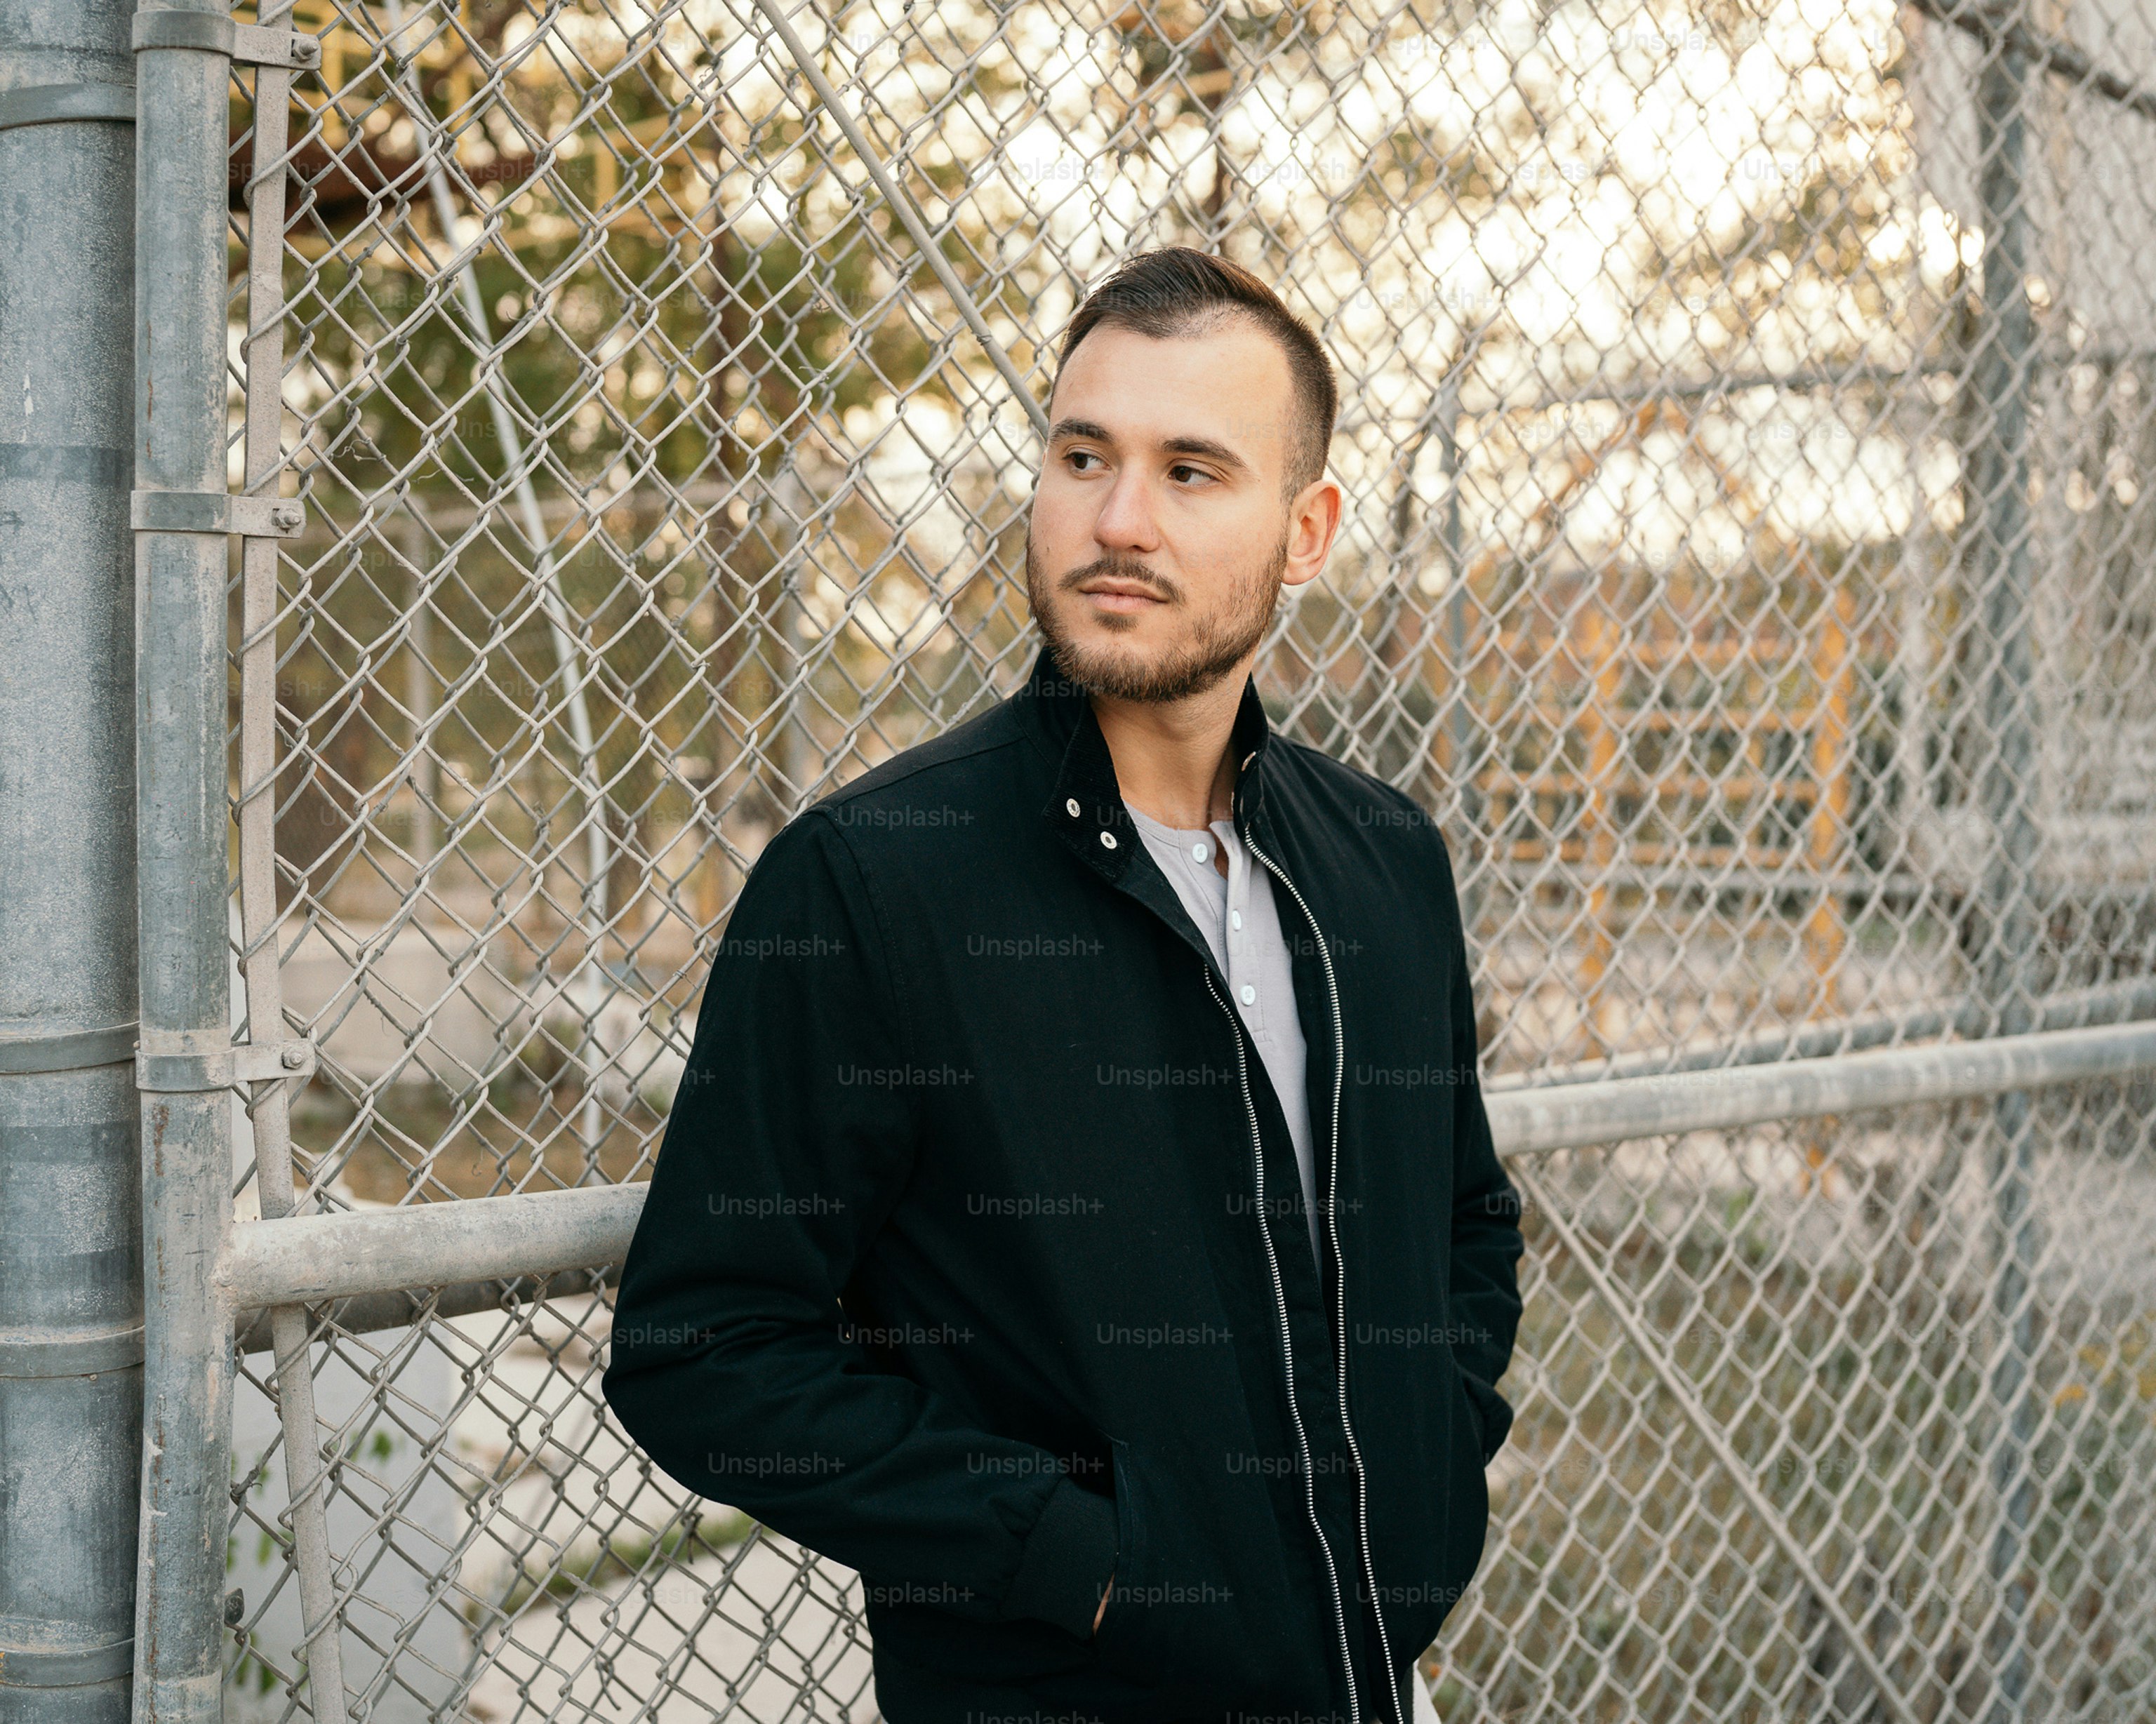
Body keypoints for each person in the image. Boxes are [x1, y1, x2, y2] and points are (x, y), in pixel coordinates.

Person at [602, 244, 1524, 1724]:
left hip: (1372, 1679)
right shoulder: (872, 883)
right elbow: (703, 1348)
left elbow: (1466, 1215)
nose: (1115, 518)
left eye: (1191, 471)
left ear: (1308, 530)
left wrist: (1426, 1466)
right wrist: (1080, 1559)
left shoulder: (1383, 860)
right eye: (1082, 453)